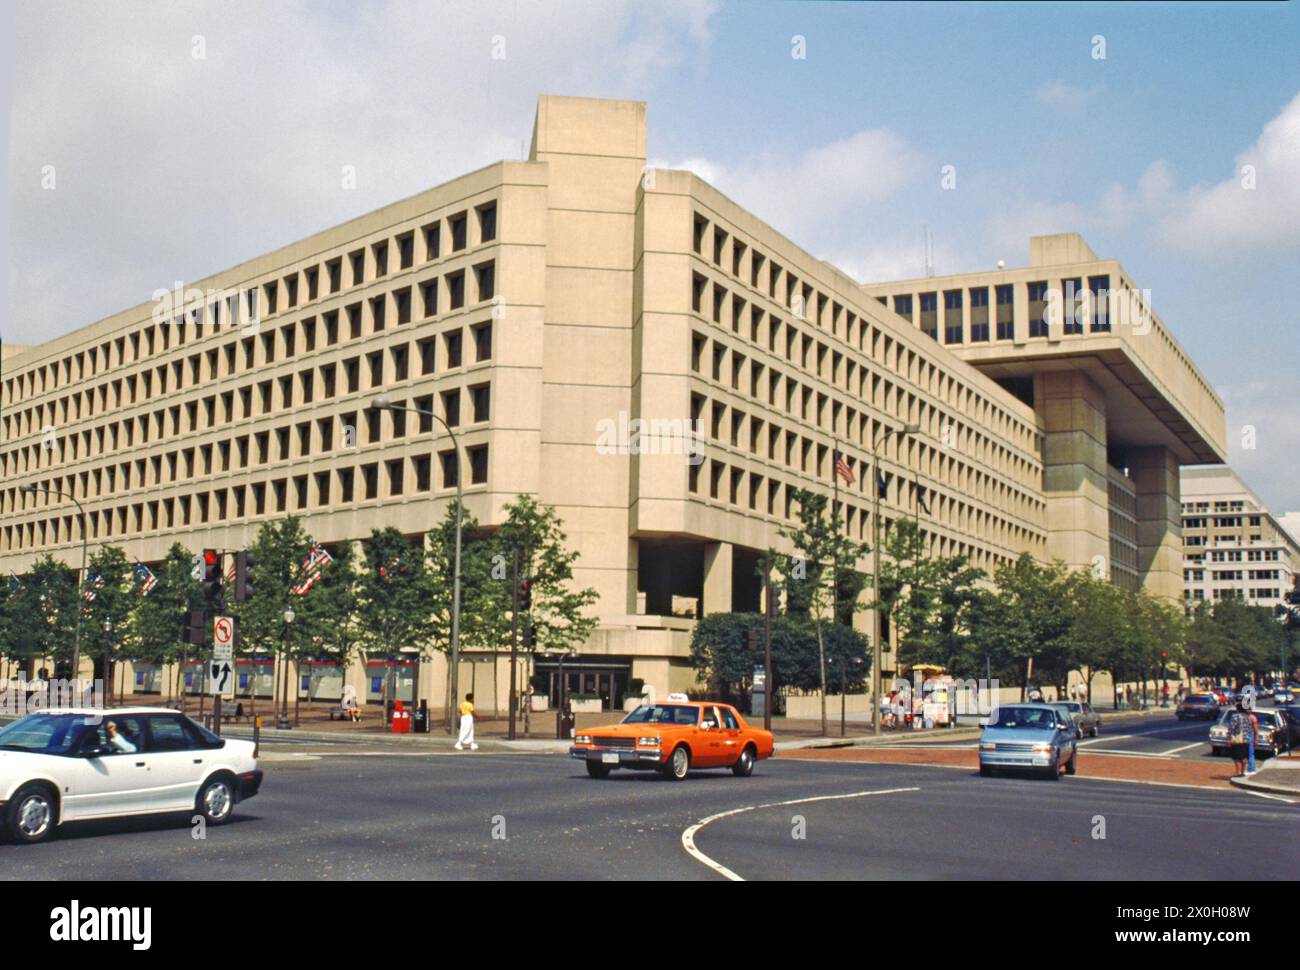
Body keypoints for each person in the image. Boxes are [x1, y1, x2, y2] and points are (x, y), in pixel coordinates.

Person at [1227, 702, 1251, 778]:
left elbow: (1231, 728)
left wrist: (1229, 738)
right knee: (1244, 756)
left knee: (1236, 756)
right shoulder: (1248, 717)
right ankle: (1243, 771)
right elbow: (1249, 729)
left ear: (1238, 709)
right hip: (1246, 739)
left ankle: (1237, 771)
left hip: (1237, 739)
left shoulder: (1235, 716)